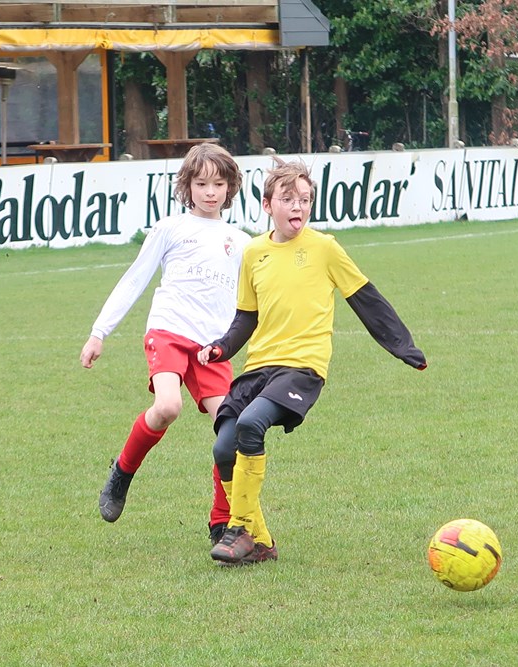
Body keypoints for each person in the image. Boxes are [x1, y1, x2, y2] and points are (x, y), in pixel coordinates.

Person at [197, 157, 427, 565]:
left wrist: (403, 346)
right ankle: (261, 542)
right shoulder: (254, 252)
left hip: (303, 367)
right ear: (268, 205)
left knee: (252, 425)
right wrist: (220, 348)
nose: (298, 207)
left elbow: (365, 298)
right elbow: (245, 318)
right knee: (223, 447)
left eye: (304, 199)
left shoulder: (325, 248)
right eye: (288, 199)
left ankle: (240, 528)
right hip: (259, 368)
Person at [80, 143, 252, 542]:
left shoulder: (240, 240)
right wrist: (98, 332)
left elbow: (256, 296)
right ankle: (122, 472)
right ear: (187, 186)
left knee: (231, 430)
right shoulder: (170, 229)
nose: (210, 191)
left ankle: (221, 521)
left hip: (213, 346)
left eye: (219, 184)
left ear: (230, 188)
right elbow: (135, 279)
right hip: (170, 330)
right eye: (202, 183)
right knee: (168, 406)